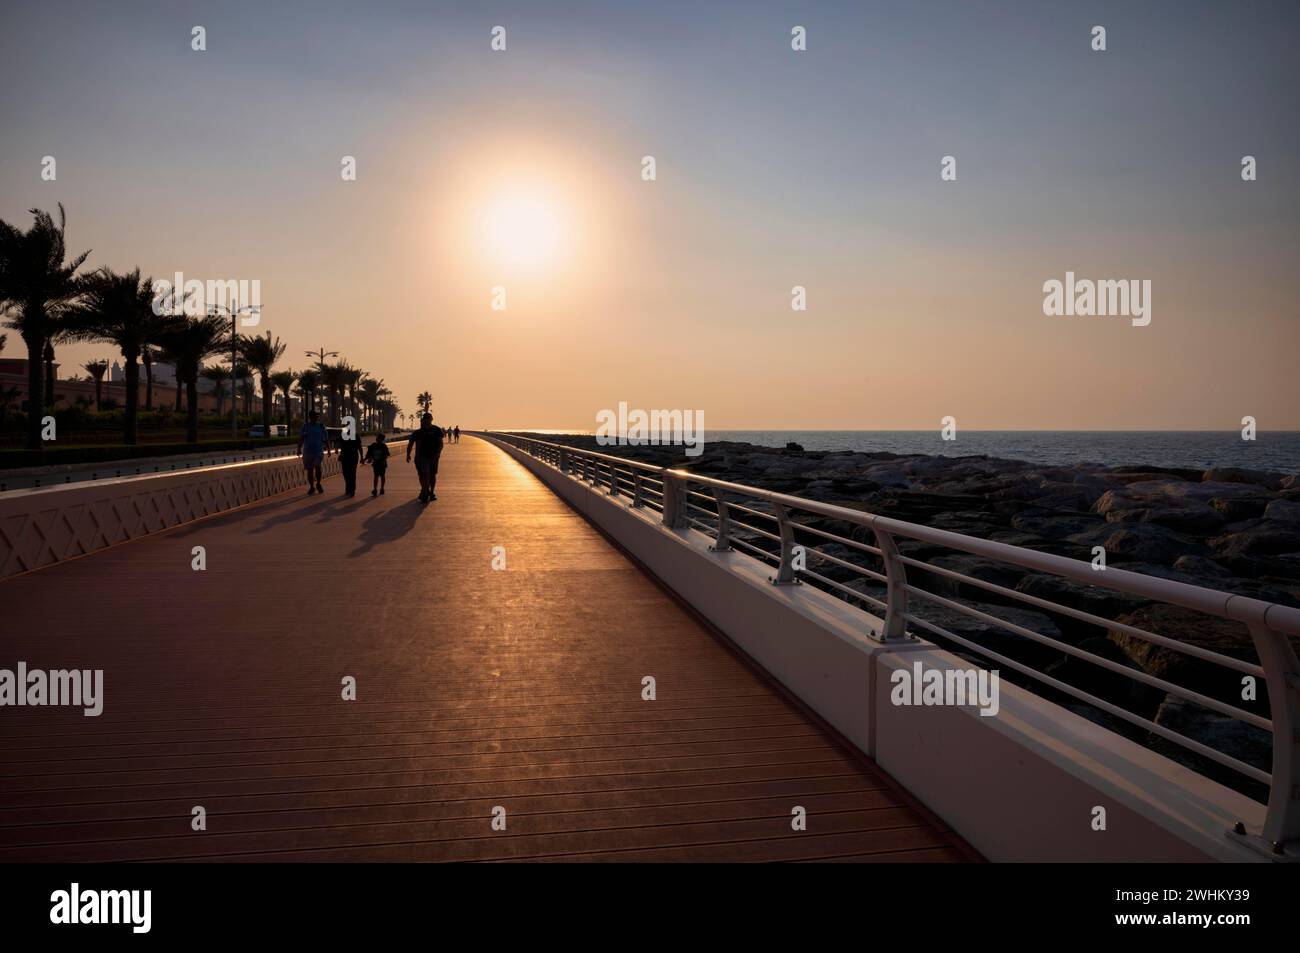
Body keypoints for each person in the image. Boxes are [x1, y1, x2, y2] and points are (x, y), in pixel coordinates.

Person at [406, 412, 444, 503]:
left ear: (431, 419)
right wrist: (408, 454)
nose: (427, 420)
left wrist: (438, 452)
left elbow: (440, 443)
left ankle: (430, 492)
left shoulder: (437, 430)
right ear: (423, 420)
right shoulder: (418, 432)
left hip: (434, 456)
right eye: (425, 419)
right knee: (424, 474)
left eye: (428, 418)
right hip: (422, 457)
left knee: (432, 475)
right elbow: (410, 443)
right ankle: (425, 491)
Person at [297, 411, 329, 495]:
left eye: (316, 416)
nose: (315, 418)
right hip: (308, 451)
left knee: (318, 466)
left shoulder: (321, 426)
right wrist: (298, 448)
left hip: (318, 451)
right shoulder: (305, 426)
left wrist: (328, 450)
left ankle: (318, 483)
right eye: (314, 416)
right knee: (310, 470)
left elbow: (325, 438)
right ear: (310, 417)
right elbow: (301, 438)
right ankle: (312, 486)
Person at [339, 428, 362, 497]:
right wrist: (337, 449)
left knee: (352, 473)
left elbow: (359, 446)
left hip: (353, 456)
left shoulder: (356, 435)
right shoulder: (343, 435)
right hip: (345, 456)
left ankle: (352, 489)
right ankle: (348, 487)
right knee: (345, 473)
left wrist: (362, 457)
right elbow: (339, 443)